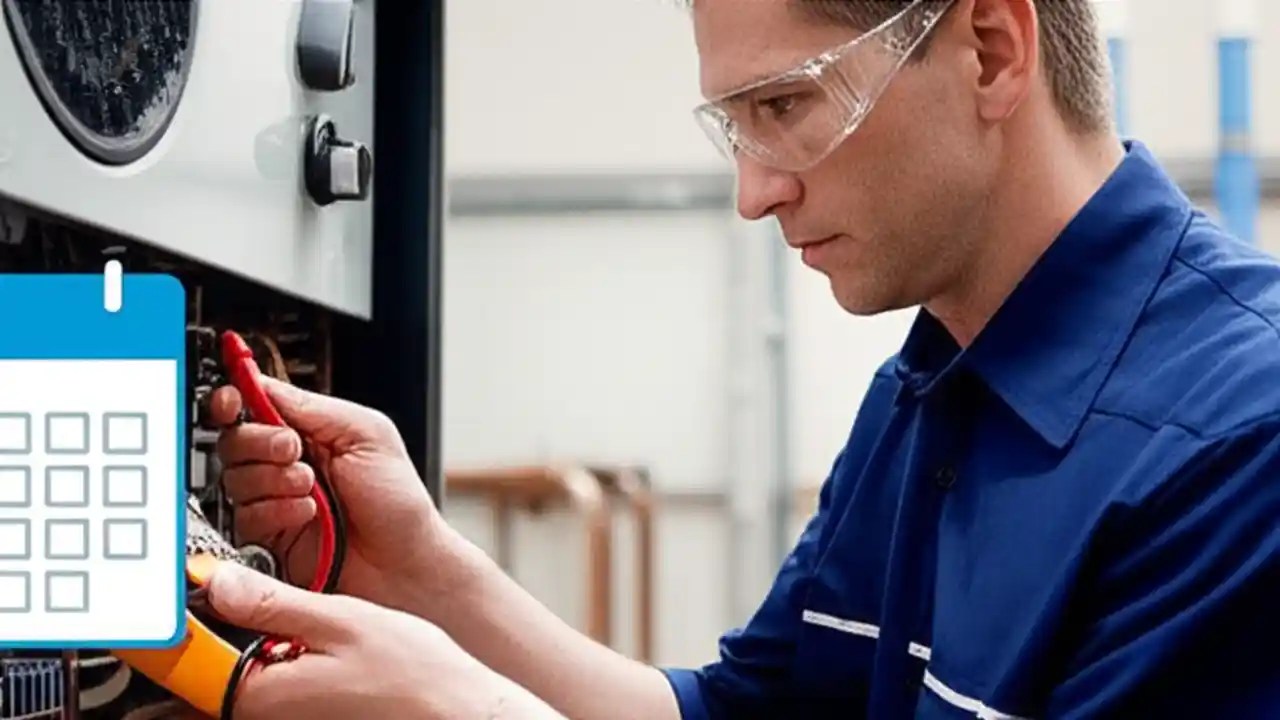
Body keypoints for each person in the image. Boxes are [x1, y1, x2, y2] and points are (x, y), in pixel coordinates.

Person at [200, 0, 1280, 717]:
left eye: (784, 105)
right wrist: (425, 577)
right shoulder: (929, 389)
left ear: (991, 48)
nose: (752, 191)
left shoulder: (1238, 448)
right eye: (737, 124)